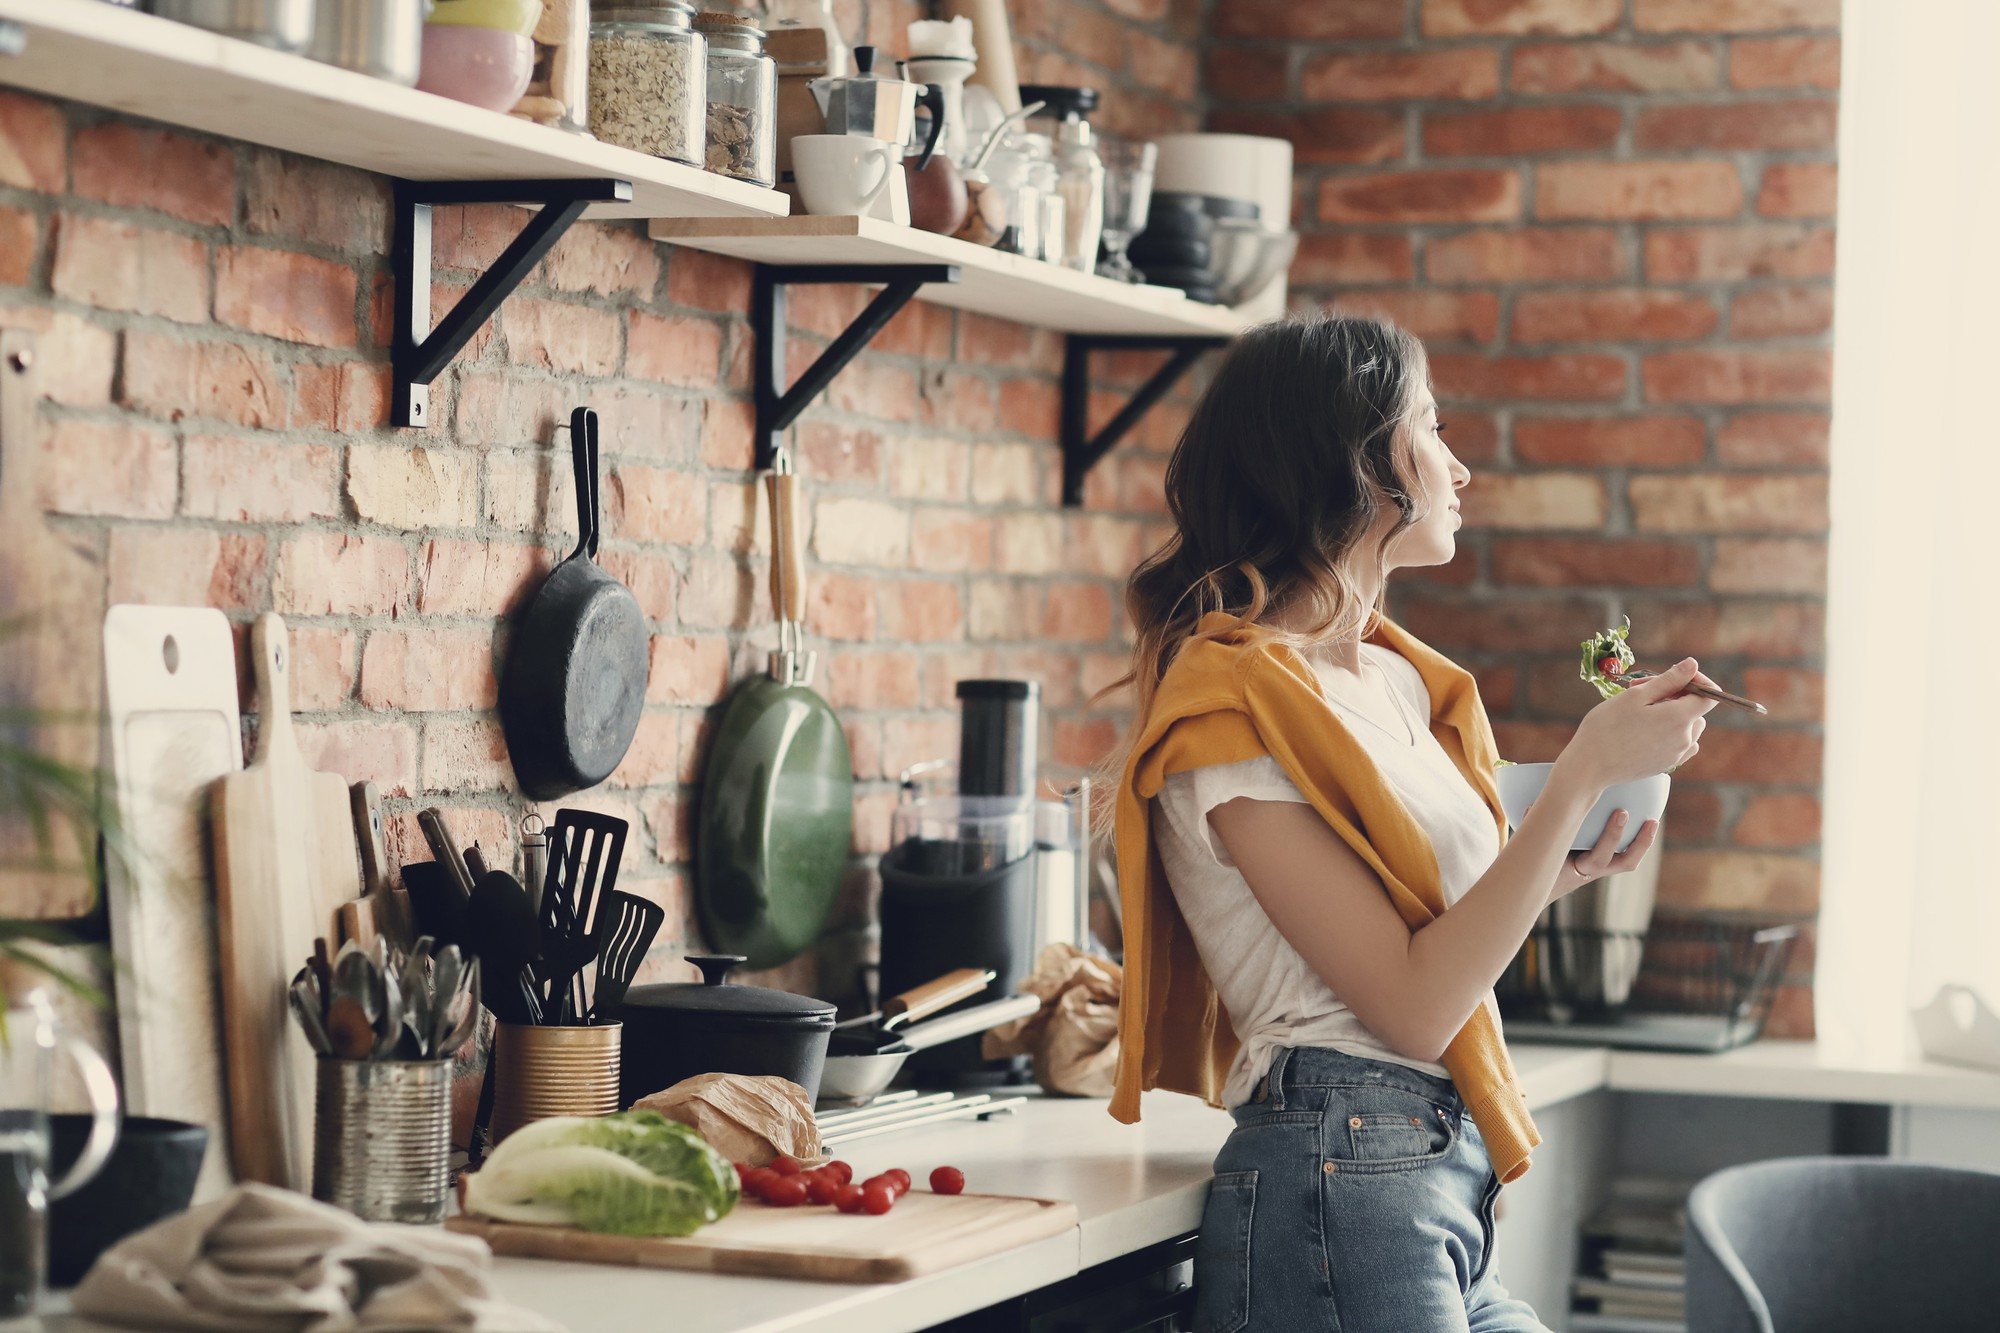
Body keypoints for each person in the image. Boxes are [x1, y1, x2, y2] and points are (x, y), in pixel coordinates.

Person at [1100, 314, 1716, 1332]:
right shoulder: (1231, 706)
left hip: (1431, 1177)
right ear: (1354, 469)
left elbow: (1428, 934)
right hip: (1340, 1175)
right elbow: (1410, 1005)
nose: (1459, 467)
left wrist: (1555, 863)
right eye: (1430, 428)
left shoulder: (1390, 678)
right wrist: (1577, 773)